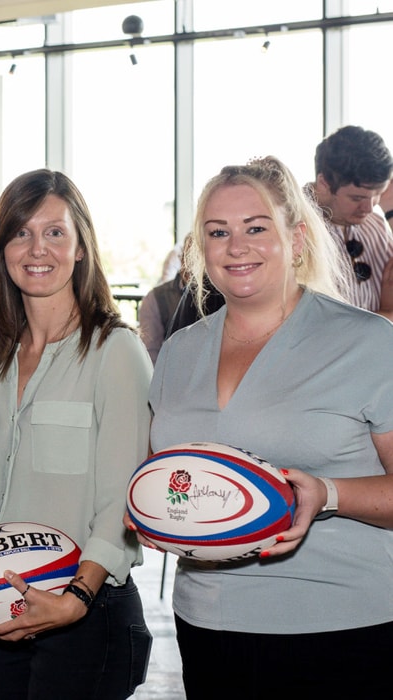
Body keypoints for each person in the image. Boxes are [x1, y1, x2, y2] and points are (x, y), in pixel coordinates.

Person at [139, 156, 393, 698]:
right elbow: (168, 469)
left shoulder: (369, 343)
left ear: (296, 240)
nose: (237, 246)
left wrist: (328, 493)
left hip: (342, 623)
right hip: (207, 622)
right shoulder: (179, 351)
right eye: (218, 232)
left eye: (256, 228)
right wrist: (152, 509)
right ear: (200, 249)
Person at [0, 169, 153, 700]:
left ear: (80, 248)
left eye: (55, 232)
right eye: (21, 232)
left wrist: (78, 596)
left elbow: (123, 500)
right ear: (2, 249)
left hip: (86, 610)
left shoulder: (115, 351)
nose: (37, 248)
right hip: (0, 606)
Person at [311, 124, 393, 318]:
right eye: (357, 198)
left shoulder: (377, 225)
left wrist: (391, 210)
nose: (369, 208)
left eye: (377, 195)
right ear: (323, 183)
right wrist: (387, 316)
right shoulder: (292, 230)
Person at [139, 233, 192, 363]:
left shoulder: (224, 297)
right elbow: (150, 357)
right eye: (190, 257)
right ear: (181, 259)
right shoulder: (156, 299)